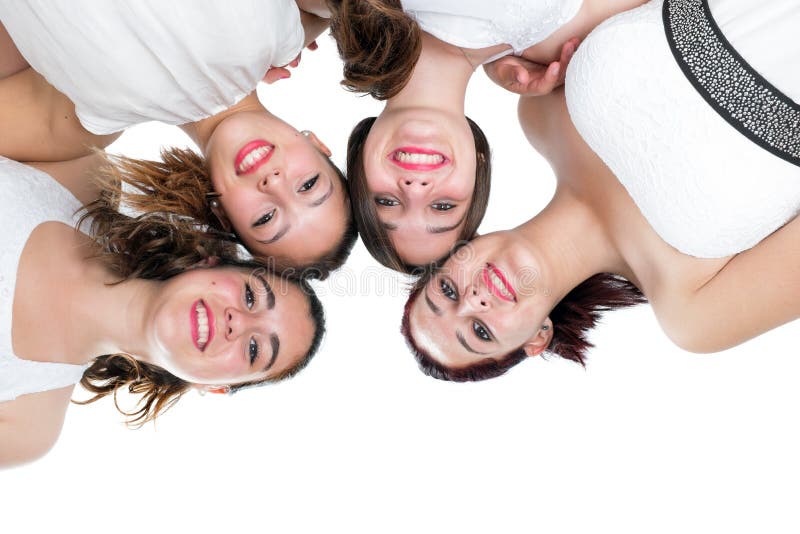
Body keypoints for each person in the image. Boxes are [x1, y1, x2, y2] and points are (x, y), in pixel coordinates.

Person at [402, 77, 800, 381]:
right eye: (480, 331)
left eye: (448, 291)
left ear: (454, 252)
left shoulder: (541, 110)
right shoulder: (694, 314)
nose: (473, 301)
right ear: (537, 338)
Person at [0, 152, 326, 468]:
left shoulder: (27, 426)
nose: (237, 322)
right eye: (251, 297)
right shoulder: (82, 173)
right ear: (211, 261)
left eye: (254, 349)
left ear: (212, 387)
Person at [0, 0, 356, 278]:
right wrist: (319, 20)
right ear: (318, 146)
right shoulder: (286, 27)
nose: (275, 184)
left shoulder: (91, 121)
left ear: (223, 217)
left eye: (266, 219)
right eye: (308, 185)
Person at [327, 0, 645, 272]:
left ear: (359, 161)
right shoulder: (553, 38)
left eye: (387, 201)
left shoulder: (337, 12)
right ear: (478, 168)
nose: (415, 190)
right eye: (442, 207)